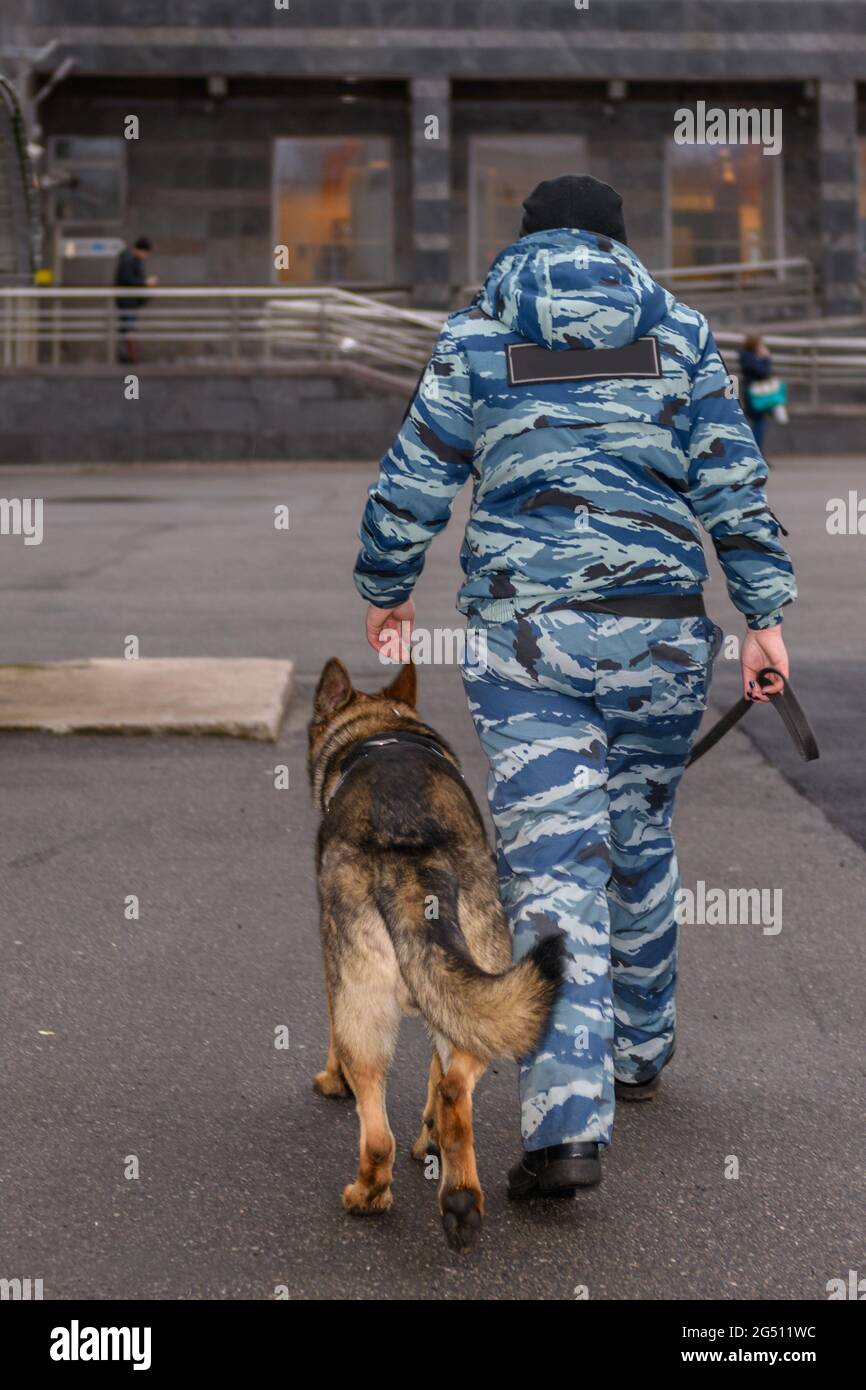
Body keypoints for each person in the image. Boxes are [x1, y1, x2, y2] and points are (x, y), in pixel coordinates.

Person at [353, 174, 796, 1200]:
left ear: (525, 239)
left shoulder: (476, 335)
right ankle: (638, 1052)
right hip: (660, 637)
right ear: (619, 241)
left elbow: (414, 475)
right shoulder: (678, 331)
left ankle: (563, 1131)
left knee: (553, 861)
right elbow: (732, 480)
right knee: (636, 839)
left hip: (528, 642)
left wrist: (386, 587)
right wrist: (764, 619)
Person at [114, 236, 158, 364]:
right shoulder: (129, 260)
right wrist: (145, 282)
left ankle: (129, 356)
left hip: (128, 301)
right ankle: (130, 357)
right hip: (127, 301)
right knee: (129, 328)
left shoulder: (130, 259)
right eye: (146, 252)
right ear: (141, 250)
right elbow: (128, 279)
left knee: (128, 328)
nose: (146, 256)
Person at [739, 333, 774, 453]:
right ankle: (755, 451)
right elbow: (762, 372)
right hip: (754, 393)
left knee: (758, 421)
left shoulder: (748, 356)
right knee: (759, 422)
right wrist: (766, 359)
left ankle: (754, 451)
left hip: (753, 392)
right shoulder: (749, 357)